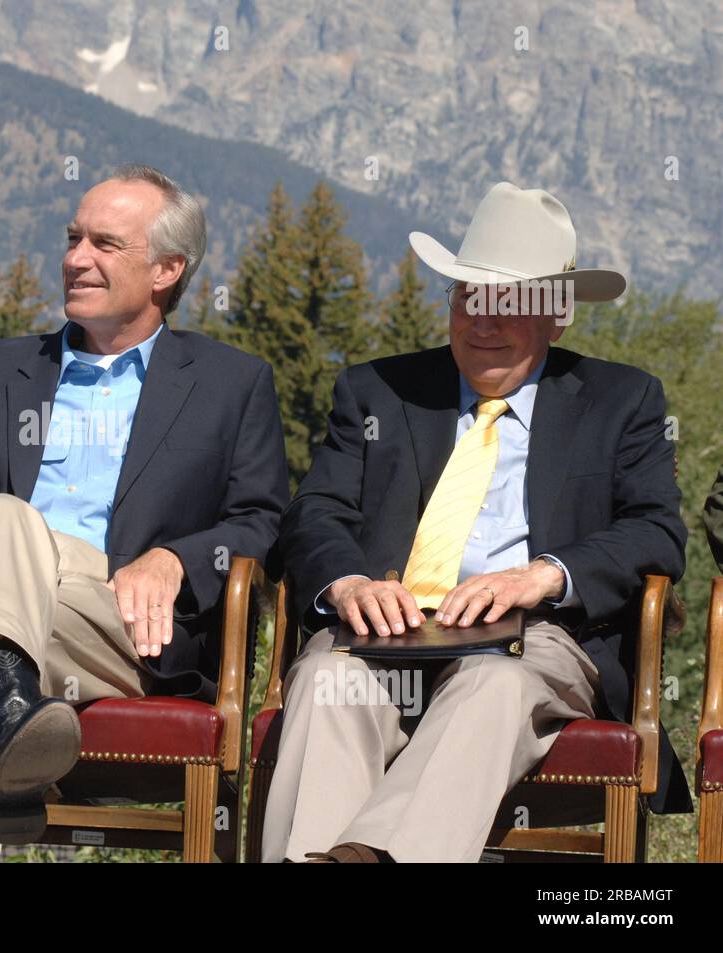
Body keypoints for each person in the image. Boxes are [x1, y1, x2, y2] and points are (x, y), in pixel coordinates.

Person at [0, 164, 290, 861]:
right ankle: (5, 702)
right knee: (2, 521)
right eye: (71, 238)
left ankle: (3, 710)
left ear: (167, 269)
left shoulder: (231, 385)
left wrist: (176, 559)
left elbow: (263, 522)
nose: (74, 259)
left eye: (103, 243)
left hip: (114, 622)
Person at [264, 181, 690, 862]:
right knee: (324, 679)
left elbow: (655, 531)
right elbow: (315, 511)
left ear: (556, 315)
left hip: (536, 639)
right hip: (388, 631)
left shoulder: (620, 401)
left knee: (492, 681)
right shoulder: (377, 390)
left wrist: (545, 575)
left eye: (509, 302)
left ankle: (368, 856)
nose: (483, 322)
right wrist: (347, 583)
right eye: (470, 297)